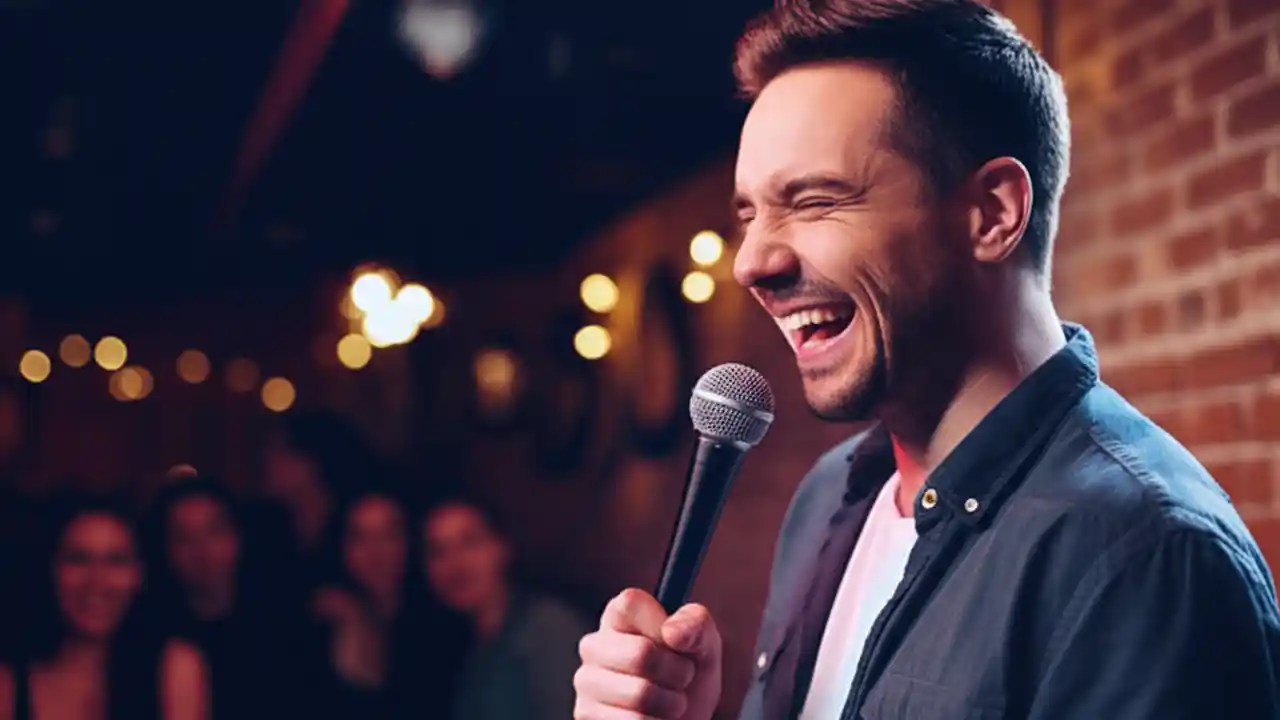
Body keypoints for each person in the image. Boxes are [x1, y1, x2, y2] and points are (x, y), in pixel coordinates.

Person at [573, 1, 1280, 719]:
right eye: (750, 215)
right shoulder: (830, 497)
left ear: (992, 214)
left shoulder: (1147, 559)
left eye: (815, 200)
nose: (753, 262)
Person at [0, 497, 210, 720]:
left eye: (116, 561)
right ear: (50, 571)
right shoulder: (8, 681)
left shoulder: (174, 669)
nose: (97, 580)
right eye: (78, 559)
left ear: (139, 575)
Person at [142, 476, 311, 720]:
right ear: (166, 550)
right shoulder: (154, 640)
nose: (202, 550)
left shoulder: (282, 627)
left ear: (237, 537)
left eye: (214, 531)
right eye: (184, 537)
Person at [422, 495, 588, 720]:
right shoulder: (466, 649)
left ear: (501, 547)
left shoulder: (548, 630)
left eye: (469, 542)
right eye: (438, 551)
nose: (455, 564)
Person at [313, 487, 452, 718]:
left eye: (389, 535)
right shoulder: (322, 622)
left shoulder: (441, 625)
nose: (375, 551)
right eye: (360, 537)